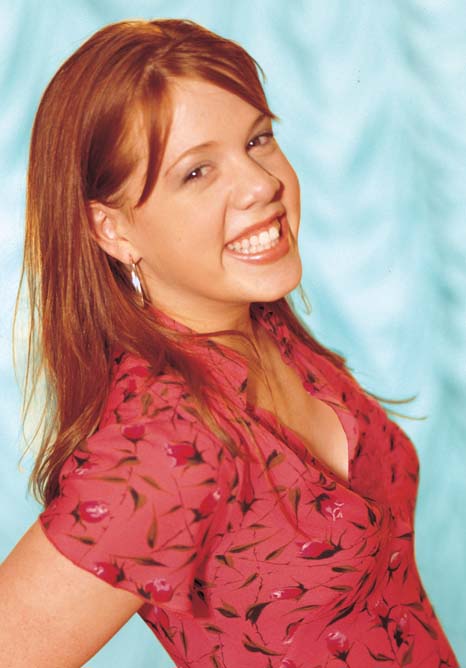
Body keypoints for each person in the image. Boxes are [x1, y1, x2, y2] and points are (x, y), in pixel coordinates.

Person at [0, 18, 458, 668]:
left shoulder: (259, 323)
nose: (261, 184)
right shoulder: (159, 447)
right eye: (197, 172)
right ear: (112, 230)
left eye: (258, 139)